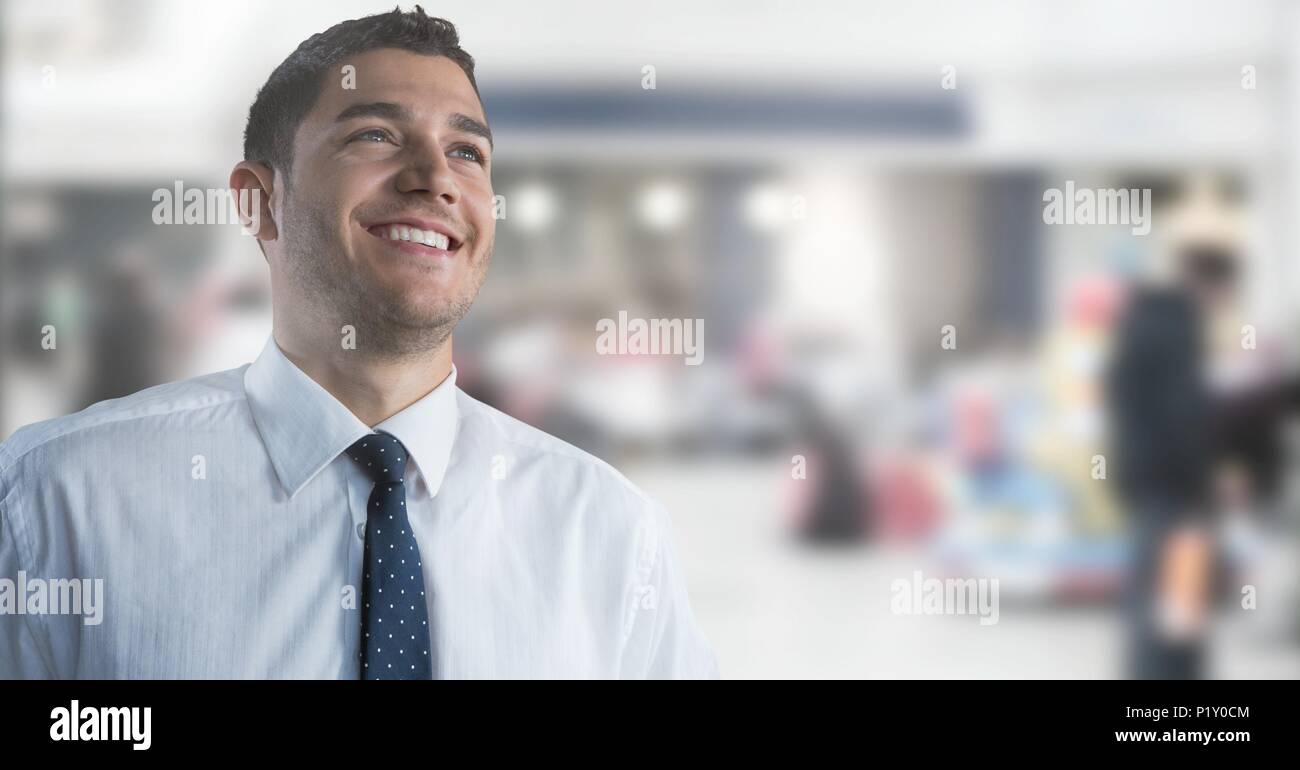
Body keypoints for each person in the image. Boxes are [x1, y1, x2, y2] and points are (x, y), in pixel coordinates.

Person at [0, 7, 719, 679]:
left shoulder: (611, 535)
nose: (436, 178)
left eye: (467, 150)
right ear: (258, 201)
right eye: (375, 135)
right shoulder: (57, 499)